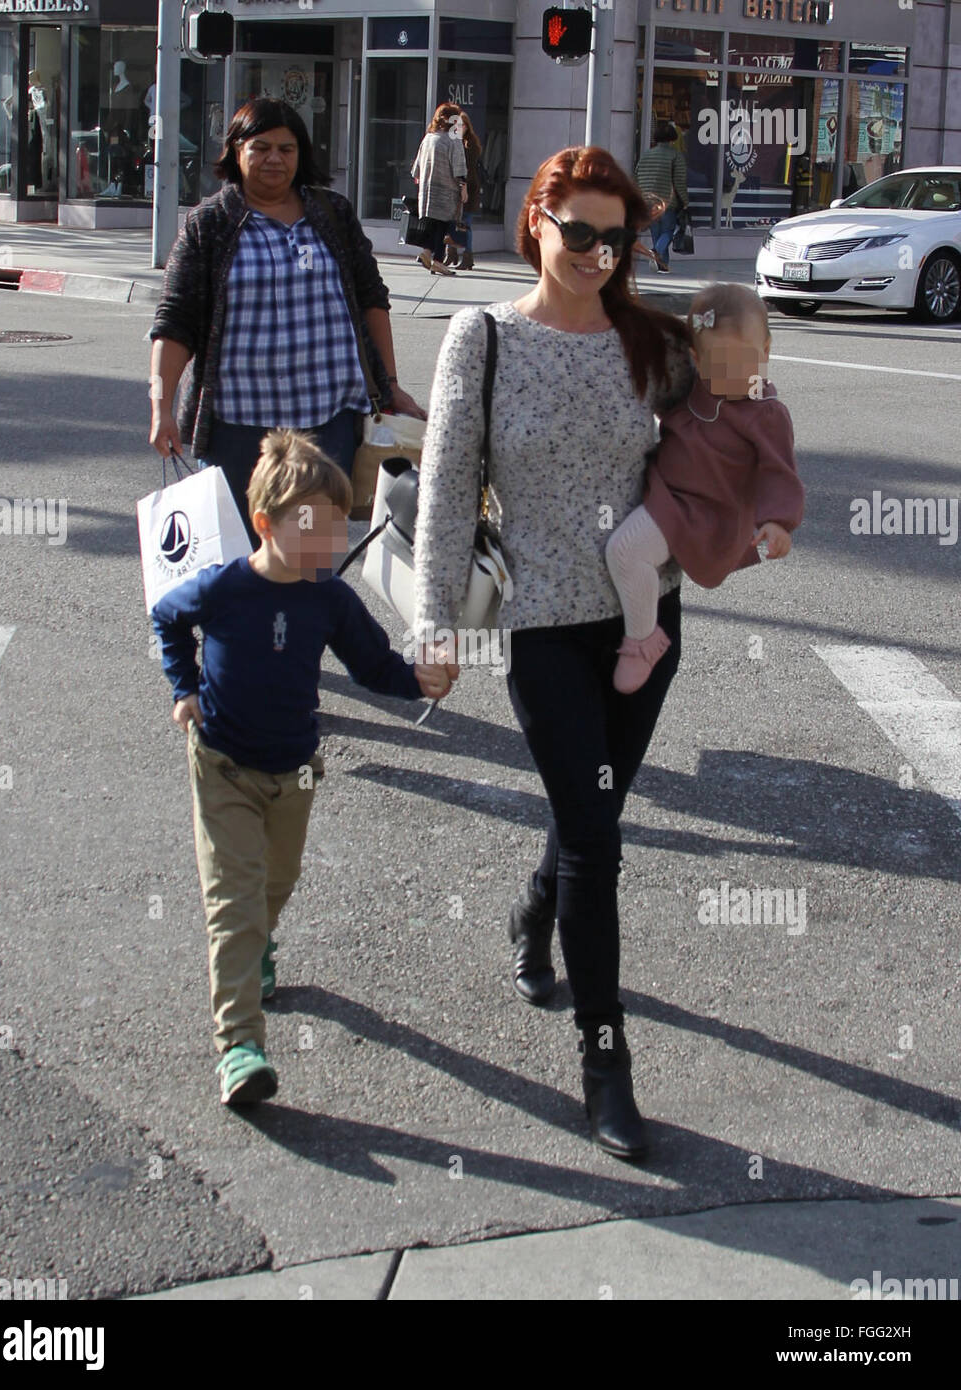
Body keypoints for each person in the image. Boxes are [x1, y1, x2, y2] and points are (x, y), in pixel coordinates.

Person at [412, 146, 695, 1162]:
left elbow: (719, 448)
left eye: (616, 238)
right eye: (578, 231)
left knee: (594, 814)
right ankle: (605, 1058)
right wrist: (436, 625)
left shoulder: (652, 343)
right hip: (538, 627)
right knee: (595, 835)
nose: (598, 254)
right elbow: (446, 489)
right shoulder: (482, 338)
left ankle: (536, 912)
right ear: (535, 222)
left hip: (642, 627)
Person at [151, 430, 457, 1106]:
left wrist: (422, 681)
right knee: (232, 905)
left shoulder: (329, 598)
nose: (328, 543)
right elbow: (167, 618)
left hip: (294, 773)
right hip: (222, 765)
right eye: (311, 528)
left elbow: (375, 667)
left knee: (275, 884)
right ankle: (240, 1048)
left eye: (336, 527)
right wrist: (184, 689)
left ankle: (259, 947)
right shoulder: (223, 589)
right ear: (264, 523)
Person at [149, 97, 425, 541]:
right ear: (236, 152)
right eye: (260, 147)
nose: (274, 158)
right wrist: (161, 407)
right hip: (238, 427)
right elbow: (175, 321)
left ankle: (302, 615)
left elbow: (372, 300)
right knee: (241, 552)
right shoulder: (209, 224)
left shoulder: (332, 214)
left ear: (301, 156)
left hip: (327, 422)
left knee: (311, 553)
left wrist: (389, 383)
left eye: (287, 148)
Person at [605, 284, 804, 693]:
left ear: (766, 351)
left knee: (624, 552)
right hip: (664, 491)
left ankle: (643, 641)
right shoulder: (696, 385)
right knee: (621, 551)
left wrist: (778, 522)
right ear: (696, 359)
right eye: (718, 364)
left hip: (703, 513)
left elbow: (778, 471)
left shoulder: (766, 414)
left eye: (744, 361)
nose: (731, 375)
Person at [410, 103, 467, 276]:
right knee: (443, 227)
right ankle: (438, 261)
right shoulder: (453, 140)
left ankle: (427, 253)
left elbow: (416, 168)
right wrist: (463, 188)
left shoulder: (429, 138)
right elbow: (459, 168)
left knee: (432, 225)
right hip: (446, 190)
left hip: (427, 191)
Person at [634, 120, 688, 273]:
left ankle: (662, 265)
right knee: (668, 231)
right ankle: (656, 252)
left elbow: (636, 177)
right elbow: (679, 181)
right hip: (667, 202)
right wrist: (685, 201)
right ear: (672, 138)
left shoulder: (645, 156)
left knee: (657, 233)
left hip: (647, 202)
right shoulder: (675, 156)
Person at [443, 110, 482, 271]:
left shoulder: (470, 145)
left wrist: (463, 188)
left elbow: (468, 171)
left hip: (468, 189)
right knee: (452, 222)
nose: (458, 128)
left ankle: (468, 256)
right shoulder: (454, 142)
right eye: (456, 125)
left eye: (461, 125)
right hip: (456, 189)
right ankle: (450, 253)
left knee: (465, 224)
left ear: (467, 127)